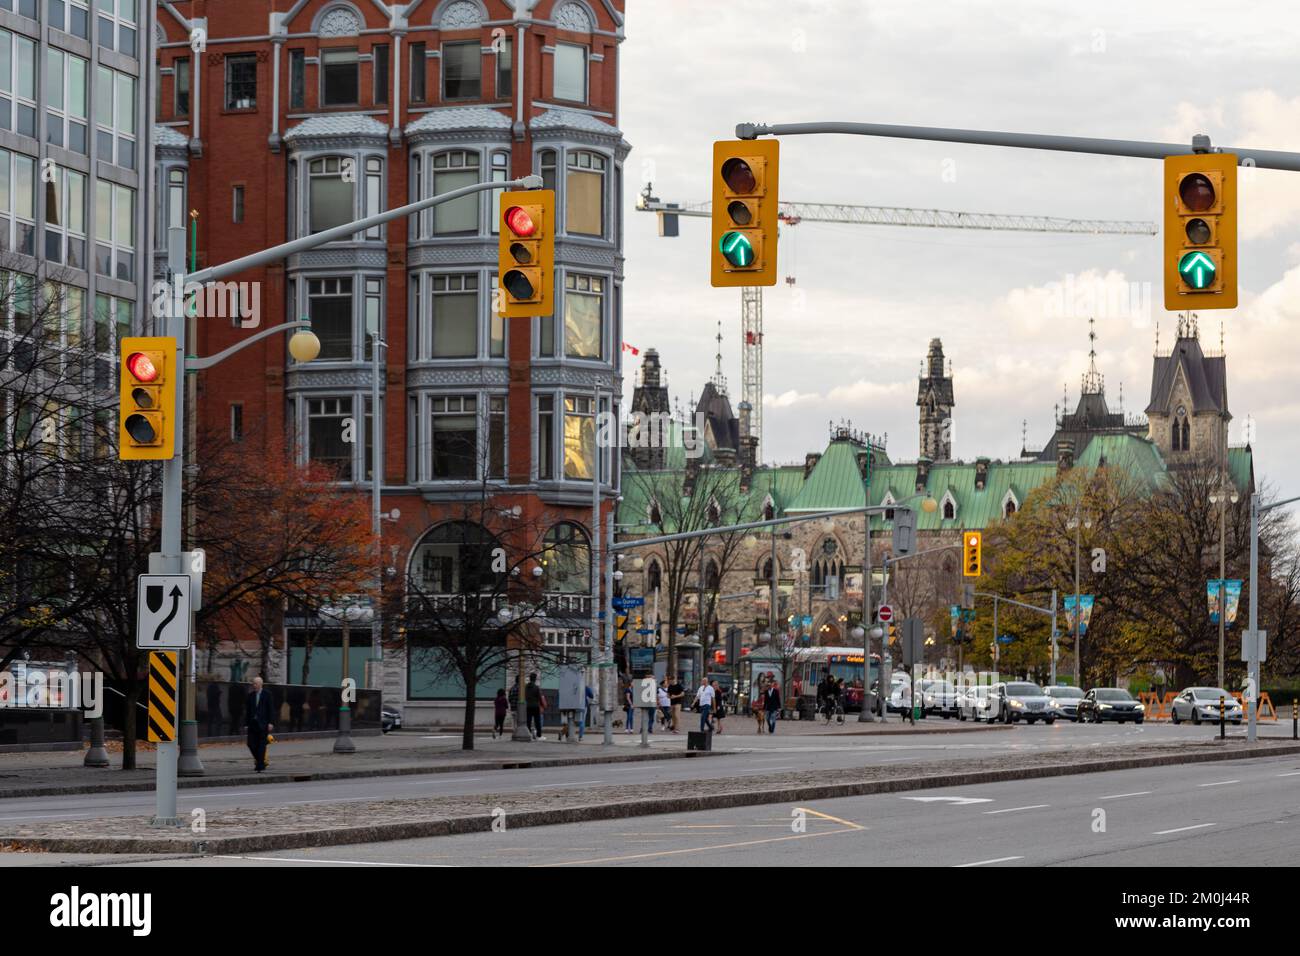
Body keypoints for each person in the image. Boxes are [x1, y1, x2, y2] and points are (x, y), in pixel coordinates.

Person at [243, 675, 274, 772]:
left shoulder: (267, 694)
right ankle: (260, 761)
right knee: (251, 744)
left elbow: (271, 709)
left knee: (261, 745)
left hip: (263, 724)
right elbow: (248, 711)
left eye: (255, 683)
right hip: (252, 724)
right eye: (253, 683)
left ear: (261, 684)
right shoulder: (250, 695)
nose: (254, 685)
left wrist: (271, 722)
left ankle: (260, 765)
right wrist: (246, 724)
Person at [524, 672, 544, 739]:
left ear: (530, 679)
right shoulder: (536, 688)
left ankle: (528, 733)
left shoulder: (526, 687)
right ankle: (539, 735)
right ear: (535, 679)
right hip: (535, 706)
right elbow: (539, 697)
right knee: (537, 721)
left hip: (528, 706)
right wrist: (542, 705)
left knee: (528, 721)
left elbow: (524, 696)